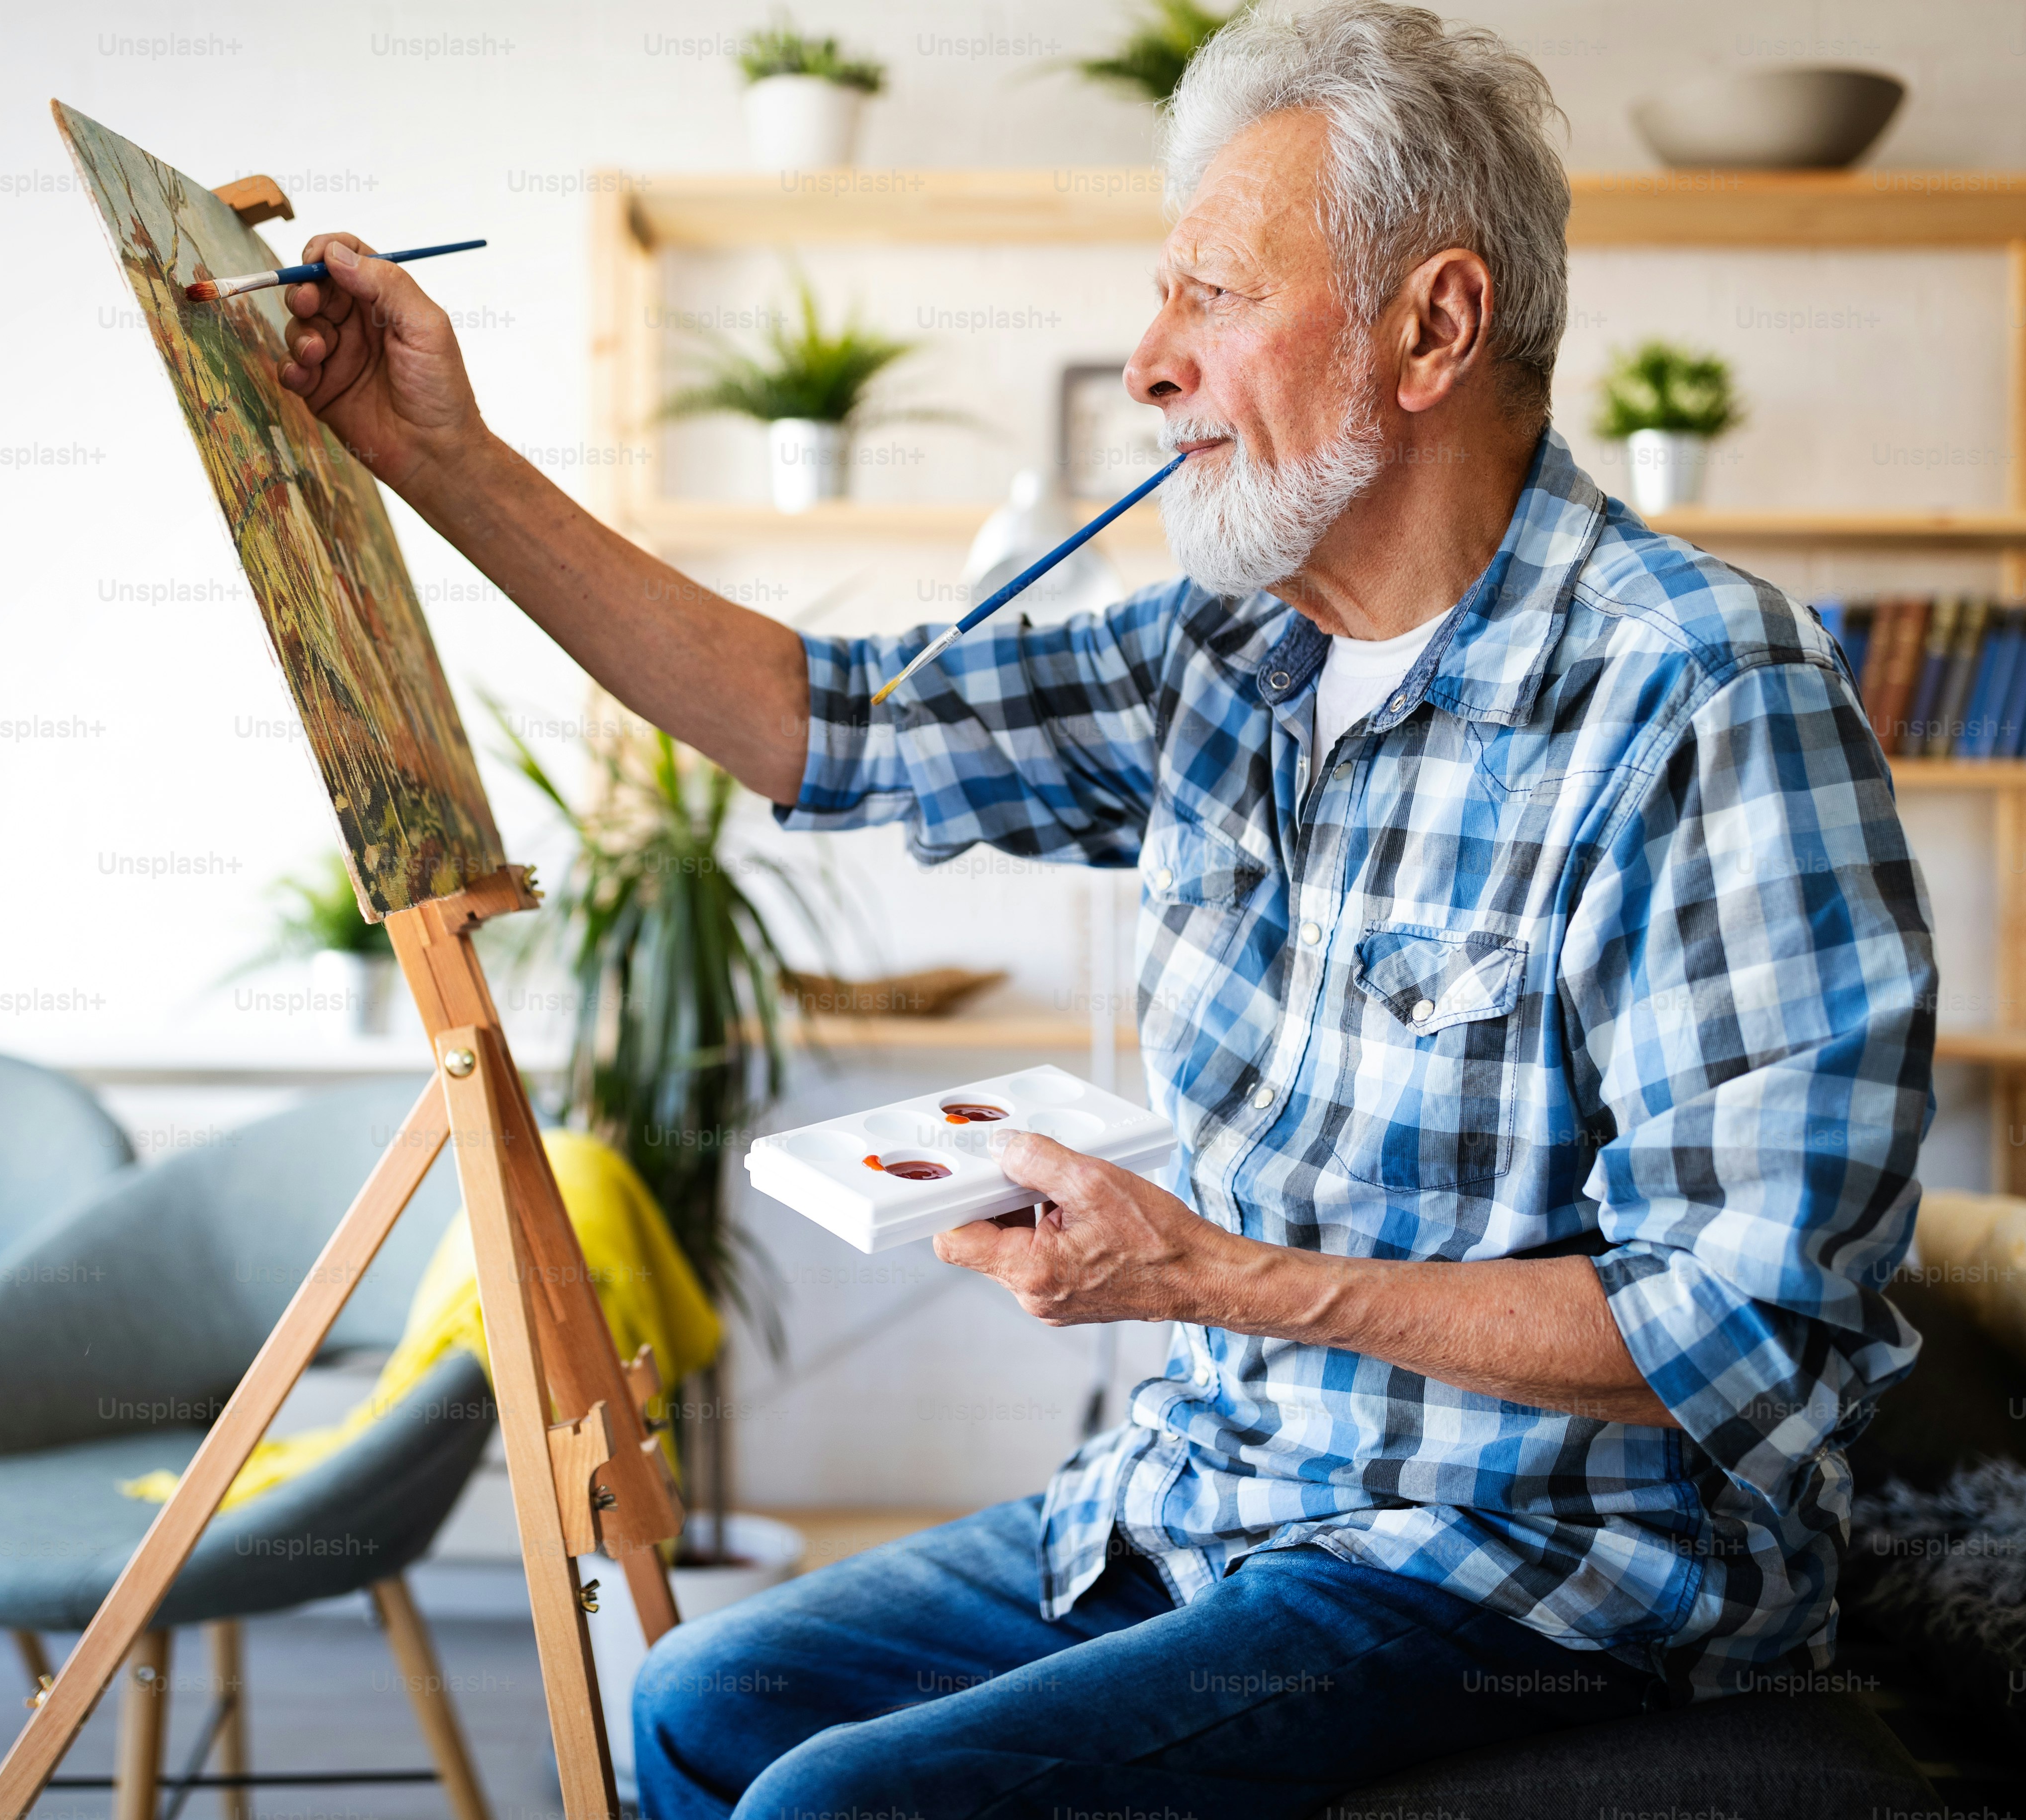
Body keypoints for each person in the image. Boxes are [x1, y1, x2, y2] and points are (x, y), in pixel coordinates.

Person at [275, 2, 1937, 1812]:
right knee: (687, 1704)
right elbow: (820, 724)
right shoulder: (1231, 652)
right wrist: (436, 456)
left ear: (1435, 328)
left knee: (836, 1804)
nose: (1149, 362)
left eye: (1213, 296)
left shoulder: (1704, 694)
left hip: (1529, 1566)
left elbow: (1759, 1330)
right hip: (1217, 1482)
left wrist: (1213, 1276)